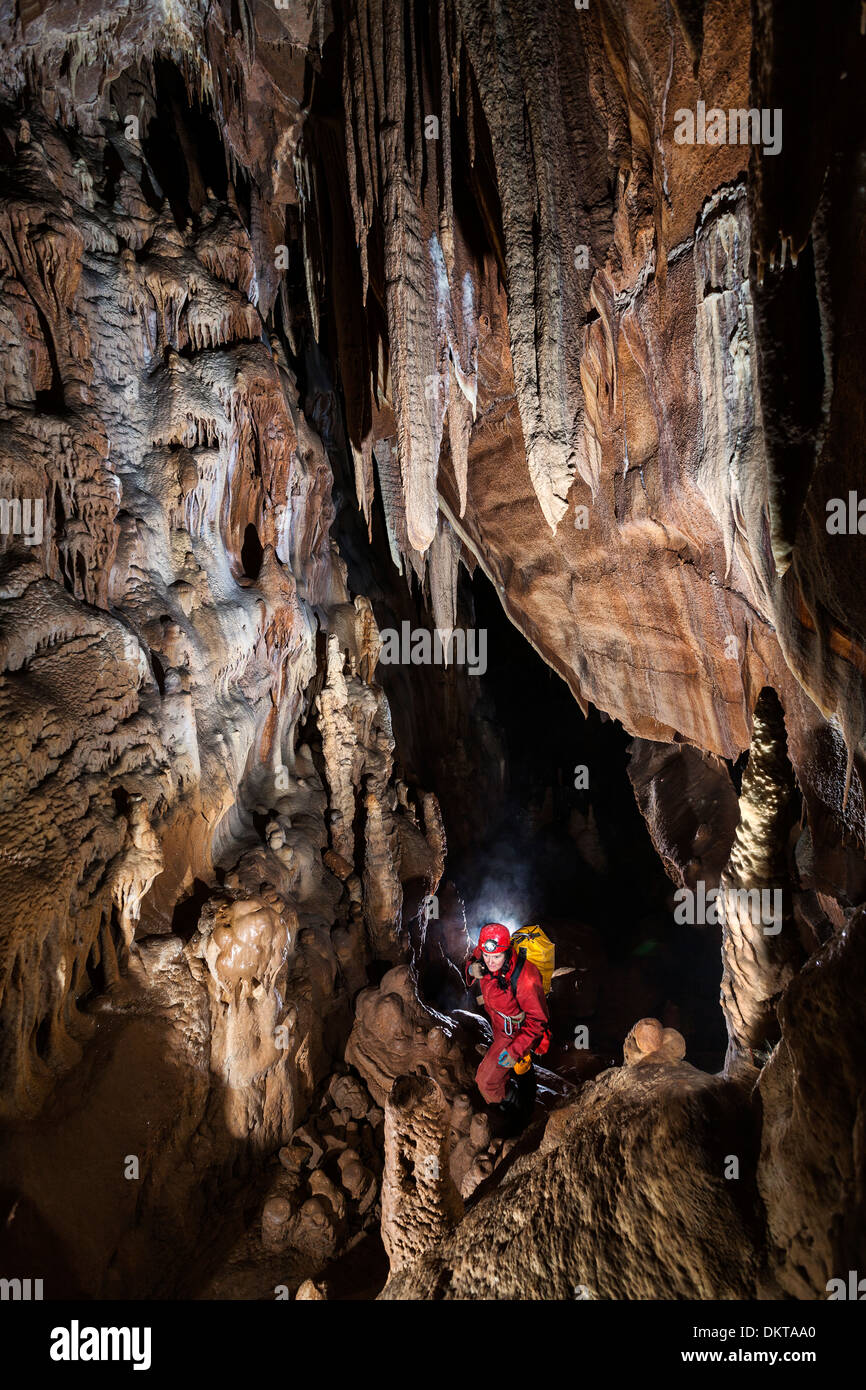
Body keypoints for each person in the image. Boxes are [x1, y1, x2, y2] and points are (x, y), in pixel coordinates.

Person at [465, 922, 551, 1121]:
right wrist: (471, 969)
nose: (490, 962)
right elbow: (474, 957)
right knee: (518, 1067)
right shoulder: (485, 952)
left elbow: (538, 1020)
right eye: (487, 956)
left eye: (496, 957)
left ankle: (515, 1115)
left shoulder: (525, 977)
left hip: (516, 1034)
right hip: (498, 1024)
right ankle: (521, 1093)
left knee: (486, 1081)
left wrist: (515, 1050)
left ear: (507, 951)